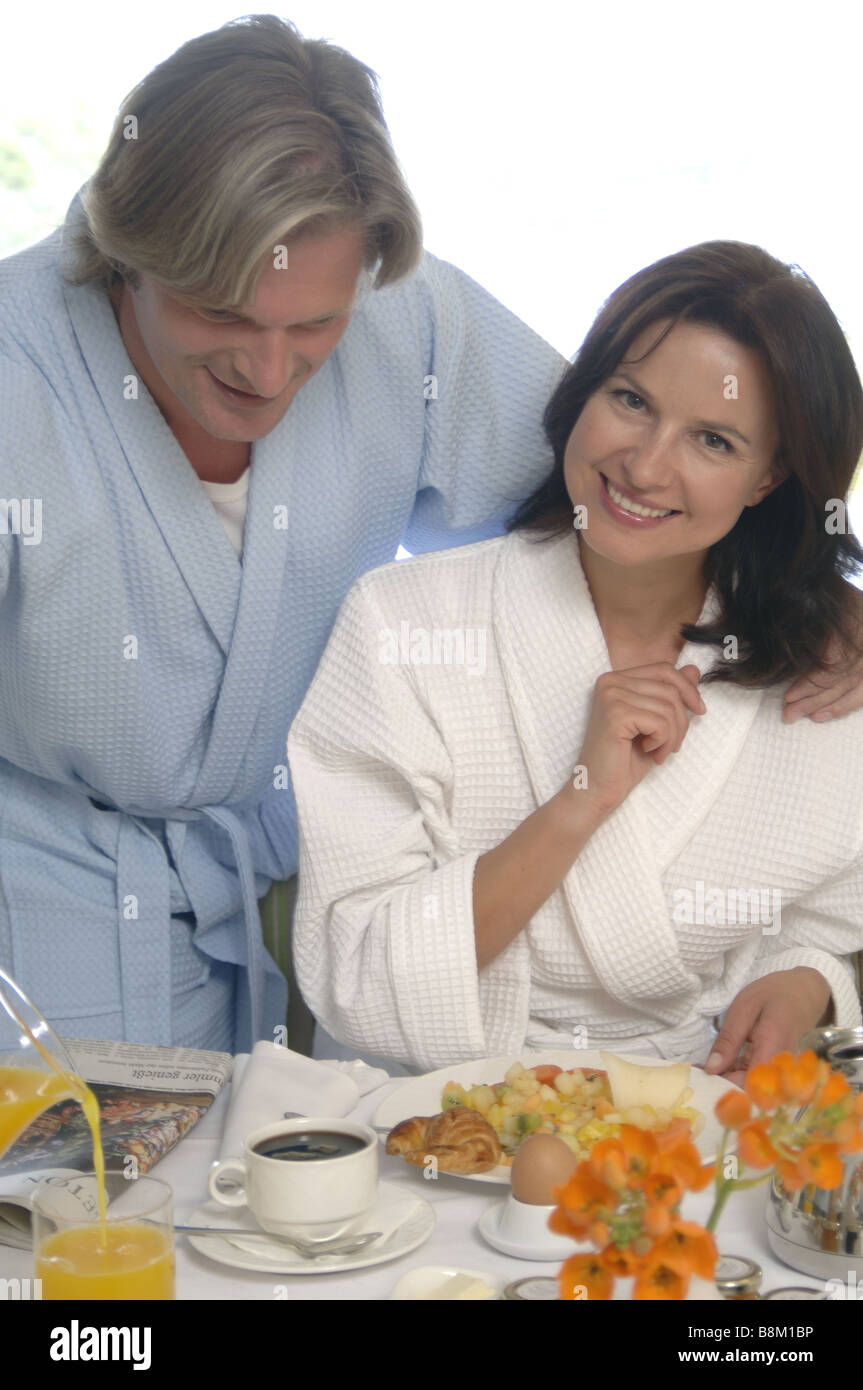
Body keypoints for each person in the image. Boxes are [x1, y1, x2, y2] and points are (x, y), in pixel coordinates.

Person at [0, 17, 858, 1055]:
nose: (268, 374)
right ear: (128, 253)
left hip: (266, 896)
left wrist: (820, 595)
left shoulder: (408, 323)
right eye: (221, 312)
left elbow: (623, 479)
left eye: (313, 325)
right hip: (39, 892)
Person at [288, 239, 863, 1082]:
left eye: (711, 440)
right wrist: (579, 801)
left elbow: (827, 912)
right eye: (630, 400)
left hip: (695, 1115)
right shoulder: (403, 621)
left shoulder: (817, 667)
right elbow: (360, 971)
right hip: (427, 1119)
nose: (644, 464)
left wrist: (807, 978)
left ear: (768, 479)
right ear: (581, 389)